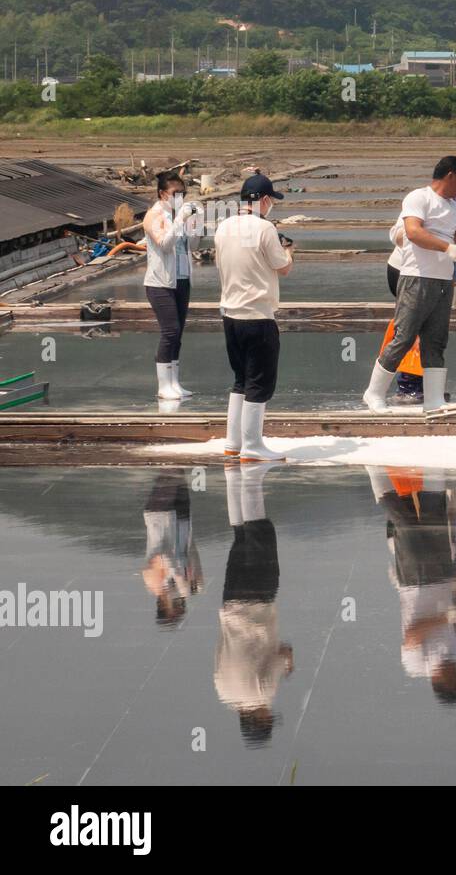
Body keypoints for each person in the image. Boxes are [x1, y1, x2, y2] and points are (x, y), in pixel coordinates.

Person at [363, 157, 456, 412]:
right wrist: (446, 247)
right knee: (404, 336)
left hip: (443, 281)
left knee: (436, 340)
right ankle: (374, 393)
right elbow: (412, 232)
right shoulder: (419, 198)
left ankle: (434, 400)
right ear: (451, 175)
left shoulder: (455, 210)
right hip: (416, 277)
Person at [366, 466, 456, 705]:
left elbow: (413, 634)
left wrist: (446, 618)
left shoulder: (417, 666)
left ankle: (374, 468)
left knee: (405, 524)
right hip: (444, 573)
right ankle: (435, 466)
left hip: (415, 581)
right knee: (434, 516)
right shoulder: (454, 650)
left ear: (444, 683)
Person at [214, 173, 293, 461]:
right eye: (271, 200)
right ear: (262, 200)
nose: (271, 205)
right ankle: (252, 445)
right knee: (259, 382)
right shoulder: (264, 229)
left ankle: (232, 442)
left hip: (230, 315)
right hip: (258, 316)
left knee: (241, 380)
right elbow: (282, 267)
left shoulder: (222, 227)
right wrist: (289, 250)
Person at [214, 465, 292, 747]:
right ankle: (233, 476)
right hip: (230, 603)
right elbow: (222, 651)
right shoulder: (223, 692)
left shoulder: (262, 695)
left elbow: (281, 657)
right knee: (241, 536)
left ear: (259, 719)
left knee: (260, 532)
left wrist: (288, 662)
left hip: (258, 601)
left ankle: (250, 476)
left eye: (268, 718)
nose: (269, 712)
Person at [382, 186, 456, 402]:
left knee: (433, 334)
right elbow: (398, 236)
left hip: (437, 277)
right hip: (406, 271)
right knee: (411, 329)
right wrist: (433, 238)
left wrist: (453, 284)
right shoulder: (421, 204)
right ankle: (408, 385)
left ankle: (427, 387)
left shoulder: (455, 215)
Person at [142, 171, 203, 400]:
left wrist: (195, 223)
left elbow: (194, 245)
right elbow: (165, 244)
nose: (180, 198)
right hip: (160, 283)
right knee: (170, 331)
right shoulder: (153, 216)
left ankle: (175, 382)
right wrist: (179, 220)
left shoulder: (180, 216)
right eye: (175, 194)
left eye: (183, 193)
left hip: (182, 279)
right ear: (162, 194)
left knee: (178, 334)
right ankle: (163, 385)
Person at [140, 469, 203, 627]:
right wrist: (195, 577)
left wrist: (179, 579)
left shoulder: (153, 583)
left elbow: (163, 556)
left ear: (163, 606)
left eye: (174, 608)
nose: (178, 604)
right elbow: (190, 551)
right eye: (180, 608)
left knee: (171, 472)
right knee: (179, 472)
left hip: (160, 514)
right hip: (181, 519)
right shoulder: (176, 584)